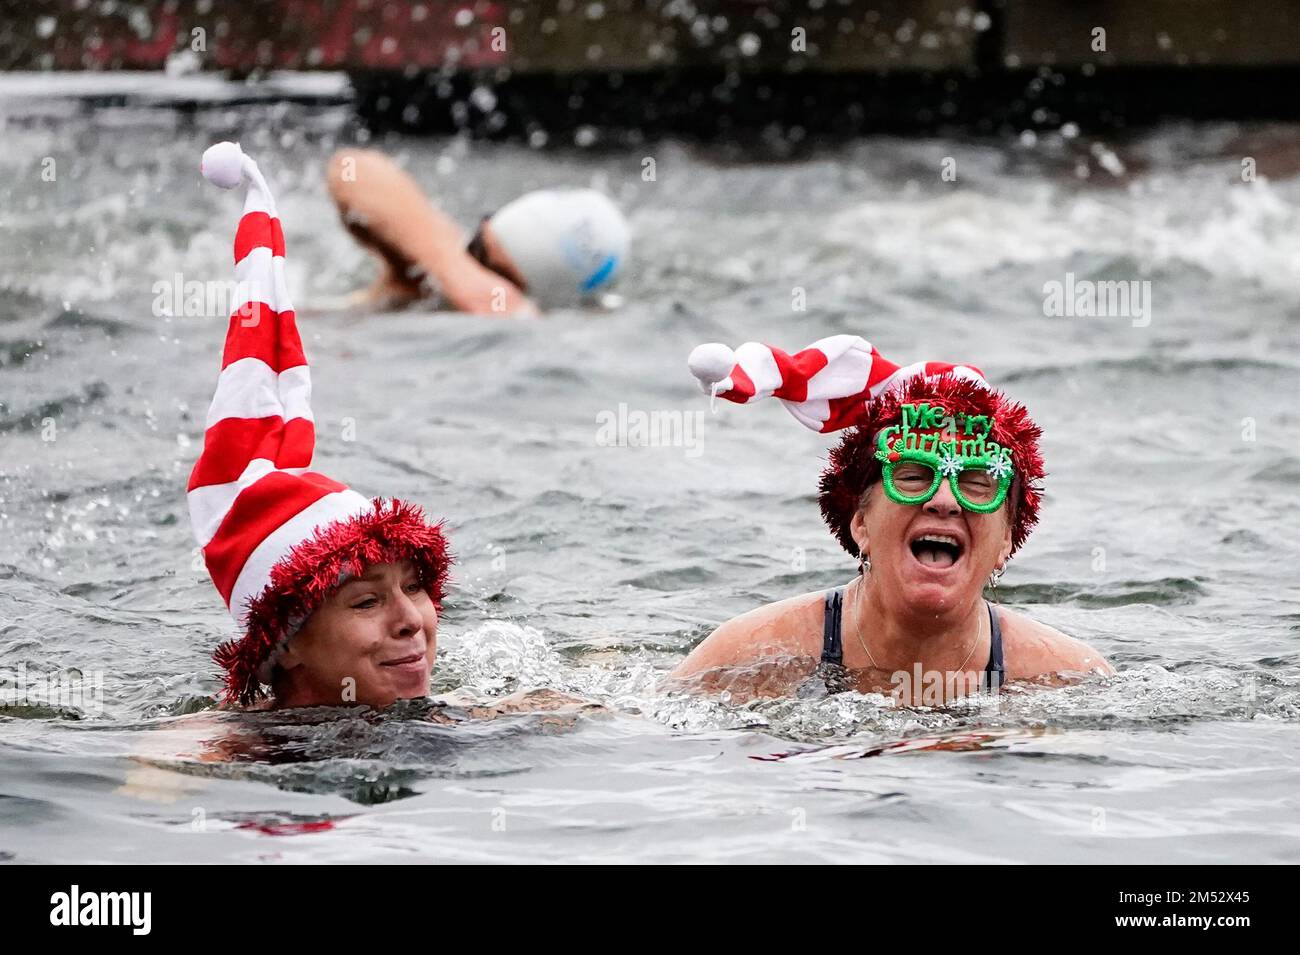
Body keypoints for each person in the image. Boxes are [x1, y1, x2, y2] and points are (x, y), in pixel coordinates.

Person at [671, 335, 1113, 704]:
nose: (944, 500)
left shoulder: (1063, 680)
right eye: (914, 476)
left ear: (1006, 540)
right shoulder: (750, 659)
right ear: (859, 521)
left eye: (977, 483)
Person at [325, 148, 629, 316]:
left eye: (497, 273)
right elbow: (351, 168)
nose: (475, 270)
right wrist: (458, 272)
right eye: (477, 247)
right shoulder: (432, 263)